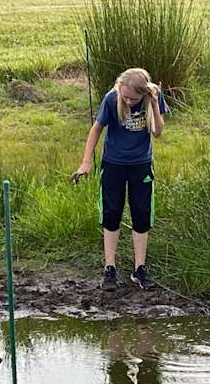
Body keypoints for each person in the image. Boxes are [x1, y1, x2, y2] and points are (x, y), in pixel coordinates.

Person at [72, 67, 167, 291]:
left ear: (143, 94)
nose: (128, 101)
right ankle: (110, 268)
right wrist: (86, 162)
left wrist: (154, 105)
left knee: (141, 214)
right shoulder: (111, 99)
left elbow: (157, 132)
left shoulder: (152, 98)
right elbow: (96, 129)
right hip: (113, 164)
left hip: (141, 164)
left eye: (133, 99)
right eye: (125, 97)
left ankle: (140, 269)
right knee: (112, 213)